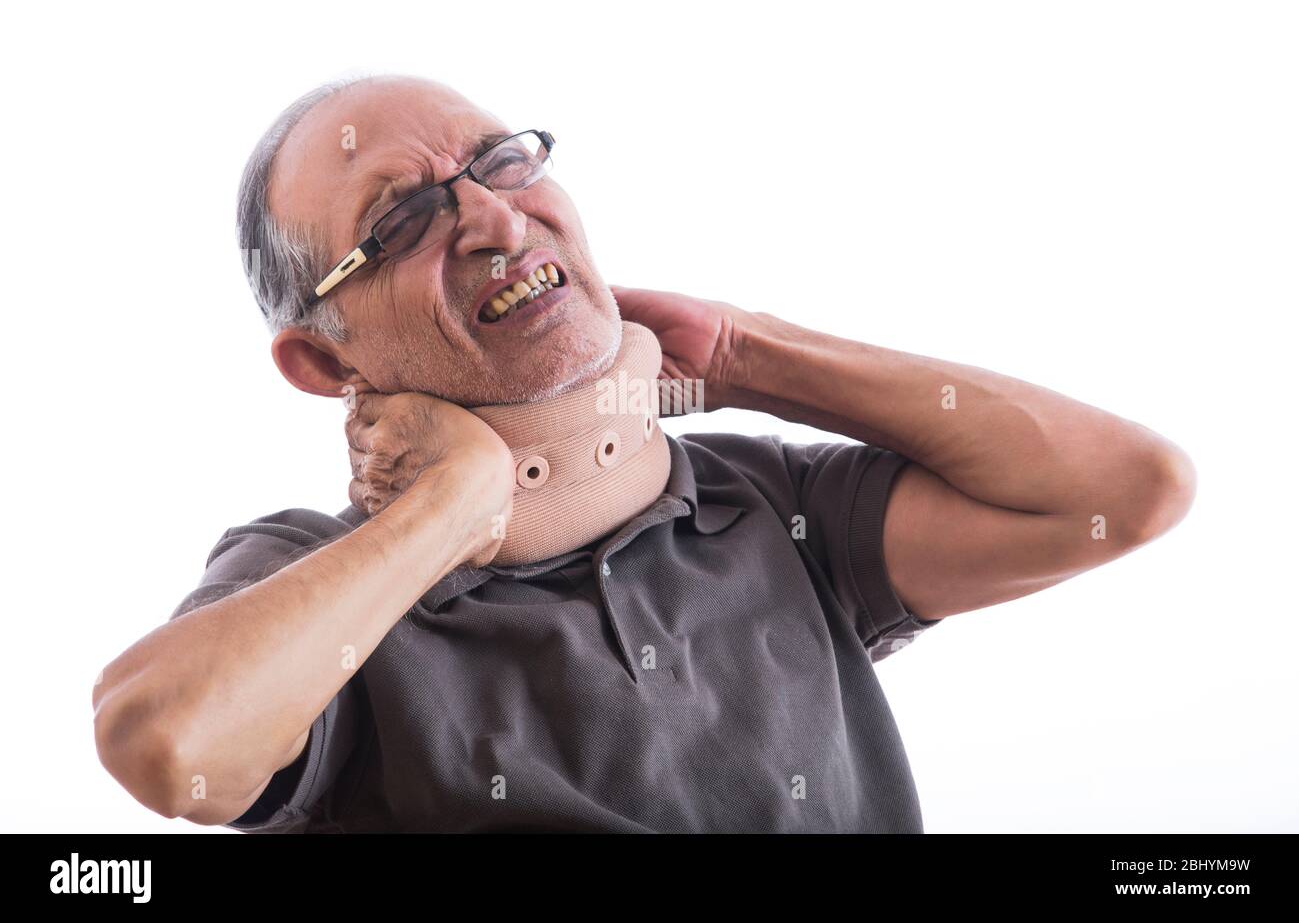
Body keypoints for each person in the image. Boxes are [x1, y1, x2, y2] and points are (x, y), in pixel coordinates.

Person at [92, 74, 1196, 832]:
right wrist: (450, 506)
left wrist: (743, 352)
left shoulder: (772, 507)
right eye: (403, 218)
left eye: (500, 161)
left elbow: (1126, 490)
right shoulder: (312, 578)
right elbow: (168, 742)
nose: (492, 220)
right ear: (326, 367)